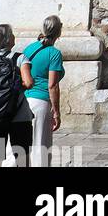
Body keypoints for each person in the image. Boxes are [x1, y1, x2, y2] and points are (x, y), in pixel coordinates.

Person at [0, 24, 34, 167]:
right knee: (22, 156)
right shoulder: (20, 58)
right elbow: (28, 82)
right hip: (19, 115)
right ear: (7, 40)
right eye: (11, 34)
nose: (14, 36)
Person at [22, 15, 64, 168]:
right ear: (59, 31)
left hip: (24, 101)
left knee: (21, 146)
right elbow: (52, 85)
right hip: (40, 102)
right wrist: (56, 112)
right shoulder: (54, 53)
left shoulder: (29, 48)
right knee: (41, 146)